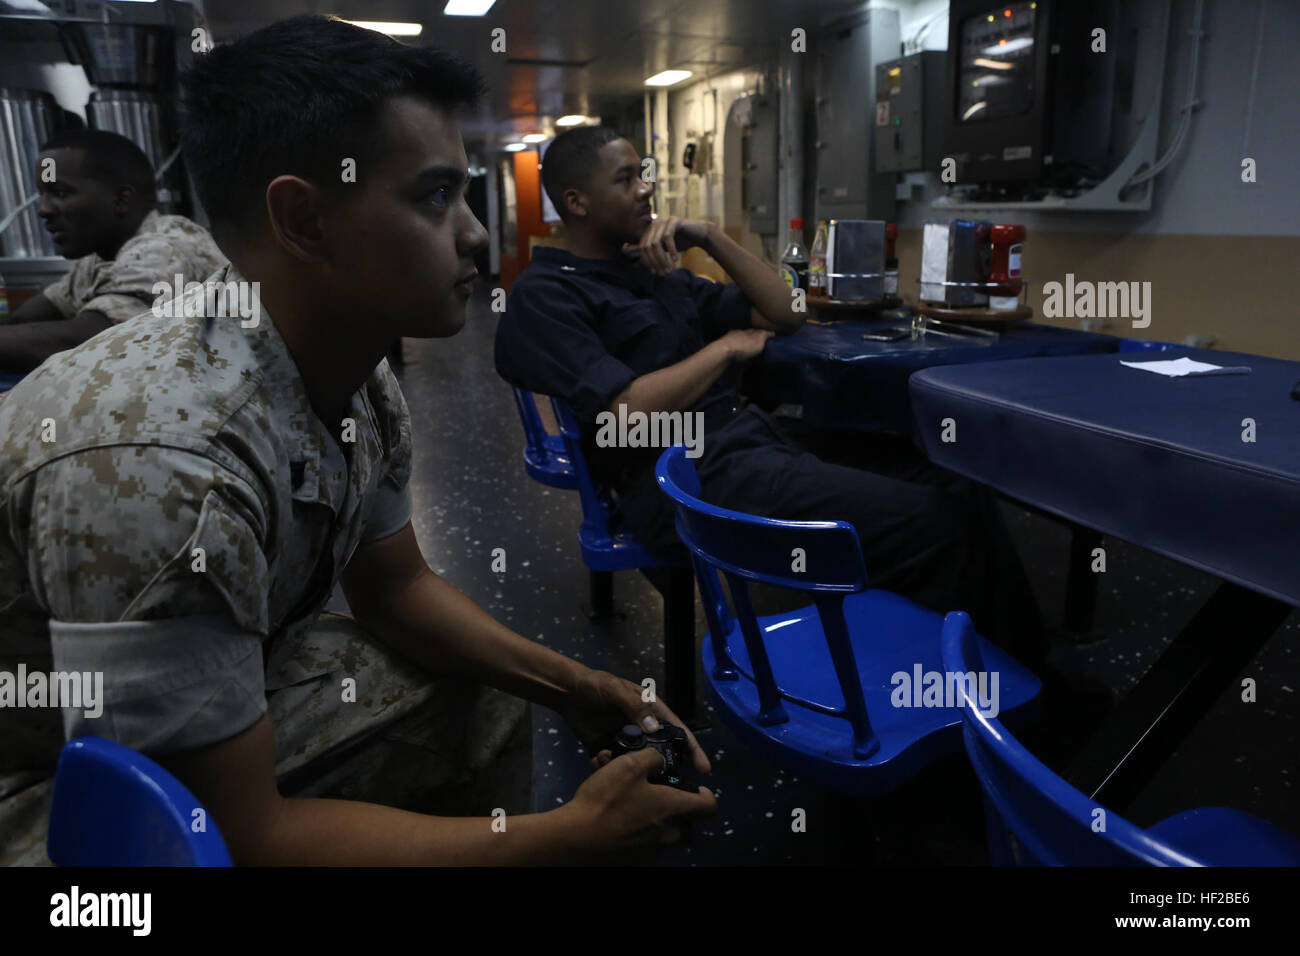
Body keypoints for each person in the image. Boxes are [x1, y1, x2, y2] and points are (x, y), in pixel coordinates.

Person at [0, 15, 714, 867]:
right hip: (50, 782)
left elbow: (396, 587)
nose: (477, 234)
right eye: (434, 196)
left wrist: (577, 684)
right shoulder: (161, 469)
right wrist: (567, 838)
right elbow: (231, 832)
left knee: (486, 699)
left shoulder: (353, 373)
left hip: (221, 679)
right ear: (304, 221)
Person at [495, 125, 1046, 662]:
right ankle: (984, 706)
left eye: (644, 174)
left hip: (749, 439)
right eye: (626, 179)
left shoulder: (652, 271)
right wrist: (726, 350)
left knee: (955, 480)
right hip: (682, 477)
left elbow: (789, 313)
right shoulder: (547, 294)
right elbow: (626, 413)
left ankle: (1024, 673)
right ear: (577, 201)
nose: (646, 188)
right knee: (930, 523)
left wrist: (711, 236)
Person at [0, 129, 226, 372]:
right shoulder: (99, 256)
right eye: (42, 195)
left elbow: (93, 341)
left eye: (60, 193)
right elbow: (35, 315)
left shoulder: (163, 248)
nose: (43, 209)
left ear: (120, 199)